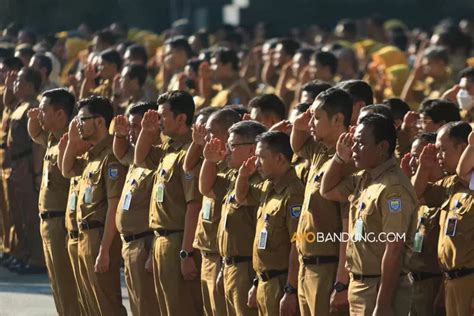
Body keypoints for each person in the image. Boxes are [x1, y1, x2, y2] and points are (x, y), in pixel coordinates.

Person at [320, 114, 418, 315]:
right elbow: (327, 190)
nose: (354, 149)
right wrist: (339, 158)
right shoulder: (366, 178)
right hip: (361, 287)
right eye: (354, 142)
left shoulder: (393, 188)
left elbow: (394, 247)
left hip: (378, 289)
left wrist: (383, 304)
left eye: (361, 143)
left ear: (382, 147)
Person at [134, 90, 203, 315]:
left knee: (181, 307)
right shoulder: (168, 148)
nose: (159, 122)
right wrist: (146, 131)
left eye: (163, 116)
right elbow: (140, 159)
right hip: (162, 239)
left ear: (181, 118)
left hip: (178, 240)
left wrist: (186, 253)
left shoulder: (189, 153)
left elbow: (194, 205)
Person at [61, 96, 127, 315]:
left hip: (99, 237)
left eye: (82, 120)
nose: (78, 125)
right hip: (85, 236)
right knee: (90, 306)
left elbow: (113, 206)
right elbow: (67, 170)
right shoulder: (91, 155)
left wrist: (105, 250)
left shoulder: (111, 157)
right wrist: (72, 140)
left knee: (107, 304)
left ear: (99, 122)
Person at [290, 87, 353, 315]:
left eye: (317, 118)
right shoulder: (320, 150)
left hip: (328, 266)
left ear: (337, 119)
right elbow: (296, 146)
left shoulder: (348, 160)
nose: (311, 123)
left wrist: (341, 282)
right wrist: (299, 125)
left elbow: (349, 225)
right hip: (307, 265)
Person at [199, 120, 267, 316]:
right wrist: (210, 160)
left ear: (252, 150)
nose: (227, 151)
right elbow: (206, 188)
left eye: (232, 146)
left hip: (247, 269)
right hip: (230, 266)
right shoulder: (234, 177)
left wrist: (256, 280)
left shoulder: (259, 183)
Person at [235, 131, 304, 316]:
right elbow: (241, 197)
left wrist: (290, 290)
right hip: (265, 282)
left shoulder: (294, 193)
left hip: (281, 284)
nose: (256, 163)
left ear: (280, 158)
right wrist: (243, 176)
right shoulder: (268, 186)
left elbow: (296, 244)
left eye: (261, 158)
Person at [27, 88, 80, 315]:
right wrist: (33, 120)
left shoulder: (72, 142)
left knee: (68, 286)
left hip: (61, 221)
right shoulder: (53, 138)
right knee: (57, 285)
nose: (40, 114)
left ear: (60, 114)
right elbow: (34, 133)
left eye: (44, 110)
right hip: (48, 220)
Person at [184, 108, 241, 316]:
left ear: (227, 135)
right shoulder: (212, 160)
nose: (207, 137)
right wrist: (198, 145)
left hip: (222, 256)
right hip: (206, 253)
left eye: (211, 132)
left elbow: (205, 189)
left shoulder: (229, 167)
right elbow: (188, 166)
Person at [413, 121, 473, 316]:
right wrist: (423, 167)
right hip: (450, 281)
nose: (438, 156)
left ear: (463, 148)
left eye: (443, 150)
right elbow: (416, 193)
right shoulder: (450, 184)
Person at [112, 101, 160, 316]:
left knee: (148, 307)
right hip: (130, 244)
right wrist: (120, 135)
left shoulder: (155, 159)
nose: (132, 132)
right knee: (137, 306)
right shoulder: (135, 157)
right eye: (130, 126)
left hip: (146, 243)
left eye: (137, 127)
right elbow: (121, 153)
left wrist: (153, 252)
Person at [3, 67, 45, 273]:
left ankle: (36, 259)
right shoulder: (20, 104)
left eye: (20, 81)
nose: (16, 84)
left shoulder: (34, 108)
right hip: (16, 165)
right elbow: (7, 103)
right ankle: (22, 253)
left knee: (30, 214)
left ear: (30, 85)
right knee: (17, 213)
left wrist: (37, 174)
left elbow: (37, 145)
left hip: (27, 165)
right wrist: (10, 88)